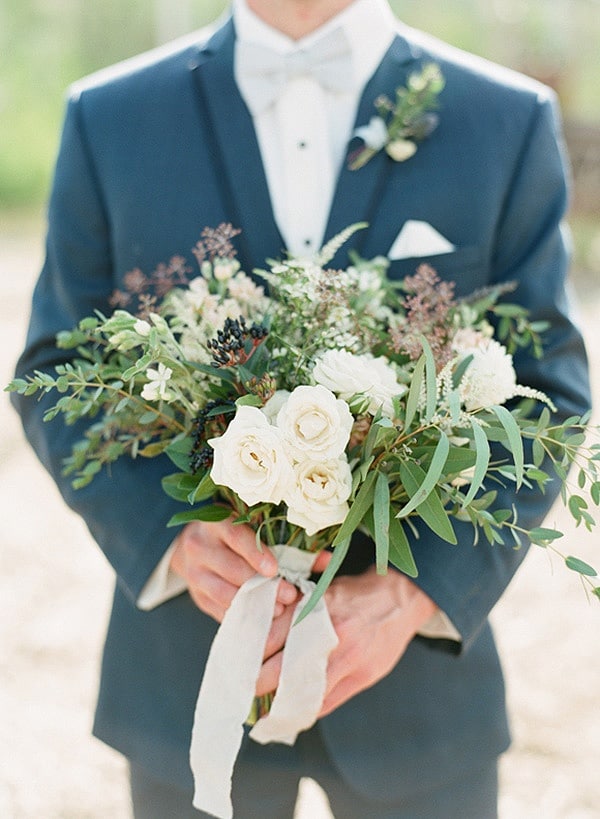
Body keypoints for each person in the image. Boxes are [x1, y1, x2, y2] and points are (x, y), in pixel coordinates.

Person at [12, 0, 591, 817]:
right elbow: (56, 361)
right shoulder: (110, 116)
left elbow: (551, 388)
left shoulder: (503, 118)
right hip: (190, 677)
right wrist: (170, 541)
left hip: (419, 700)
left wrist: (416, 596)